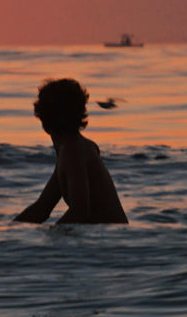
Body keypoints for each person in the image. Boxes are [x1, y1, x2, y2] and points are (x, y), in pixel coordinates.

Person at [14, 78, 128, 224]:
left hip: (110, 241)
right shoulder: (74, 149)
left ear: (42, 116)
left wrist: (53, 238)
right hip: (110, 239)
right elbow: (41, 209)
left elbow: (79, 211)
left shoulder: (73, 152)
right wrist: (8, 233)